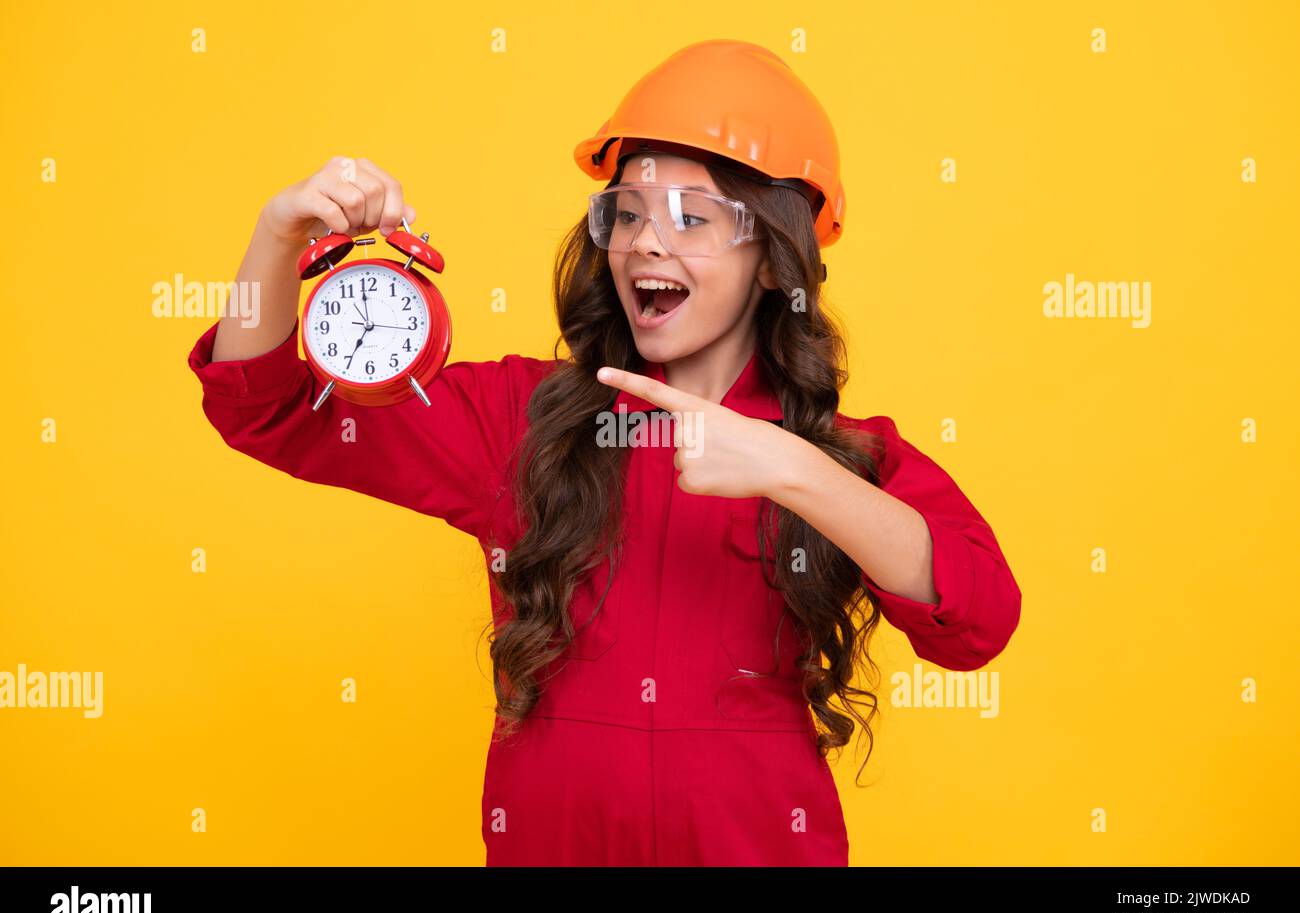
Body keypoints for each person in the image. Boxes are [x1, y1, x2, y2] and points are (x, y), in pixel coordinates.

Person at [187, 39, 1021, 866]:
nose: (646, 243)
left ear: (774, 258)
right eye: (627, 212)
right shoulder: (520, 420)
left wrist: (792, 468)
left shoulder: (842, 454)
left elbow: (979, 619)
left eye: (692, 217)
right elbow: (270, 409)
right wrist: (277, 234)